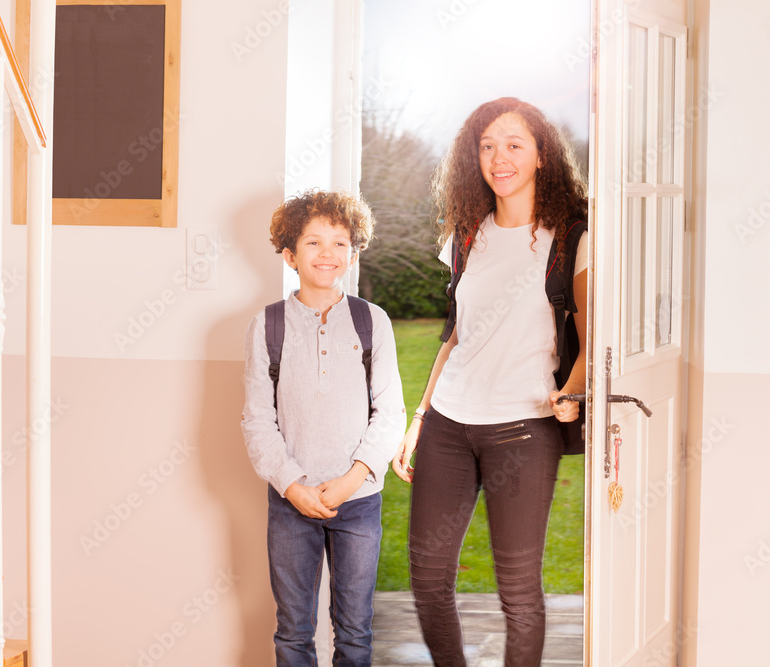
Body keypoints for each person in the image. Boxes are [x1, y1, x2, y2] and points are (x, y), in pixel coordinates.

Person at [391, 98, 589, 666]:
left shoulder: (571, 237)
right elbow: (455, 335)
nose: (499, 157)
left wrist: (571, 392)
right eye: (487, 146)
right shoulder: (466, 234)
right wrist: (420, 417)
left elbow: (591, 336)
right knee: (428, 576)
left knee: (519, 591)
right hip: (449, 424)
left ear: (542, 155)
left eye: (514, 145)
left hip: (523, 429)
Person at [241, 190, 406, 666]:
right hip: (291, 502)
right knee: (293, 632)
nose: (327, 253)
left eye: (339, 243)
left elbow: (390, 412)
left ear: (353, 254)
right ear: (290, 255)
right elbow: (257, 419)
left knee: (354, 631)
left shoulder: (372, 321)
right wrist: (293, 486)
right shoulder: (267, 326)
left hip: (359, 501)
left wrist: (354, 478)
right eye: (313, 242)